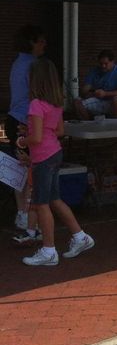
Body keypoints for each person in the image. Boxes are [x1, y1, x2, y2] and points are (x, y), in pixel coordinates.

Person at [19, 59, 95, 266]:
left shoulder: (35, 104)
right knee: (54, 199)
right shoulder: (56, 103)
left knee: (41, 203)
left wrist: (22, 139)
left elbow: (35, 139)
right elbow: (59, 131)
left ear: (35, 80)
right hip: (55, 153)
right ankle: (80, 237)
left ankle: (48, 250)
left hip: (42, 157)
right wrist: (35, 132)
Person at [7, 25, 45, 245]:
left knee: (20, 169)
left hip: (15, 118)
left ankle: (23, 216)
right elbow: (37, 97)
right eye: (41, 41)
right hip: (25, 121)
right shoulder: (32, 65)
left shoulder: (17, 62)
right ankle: (30, 222)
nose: (44, 45)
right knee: (31, 170)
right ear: (31, 42)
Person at [73, 49, 117, 119]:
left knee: (116, 100)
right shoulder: (94, 71)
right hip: (100, 100)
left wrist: (105, 93)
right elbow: (84, 91)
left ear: (112, 62)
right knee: (77, 102)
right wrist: (92, 93)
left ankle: (115, 126)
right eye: (101, 64)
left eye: (106, 64)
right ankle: (89, 125)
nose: (103, 66)